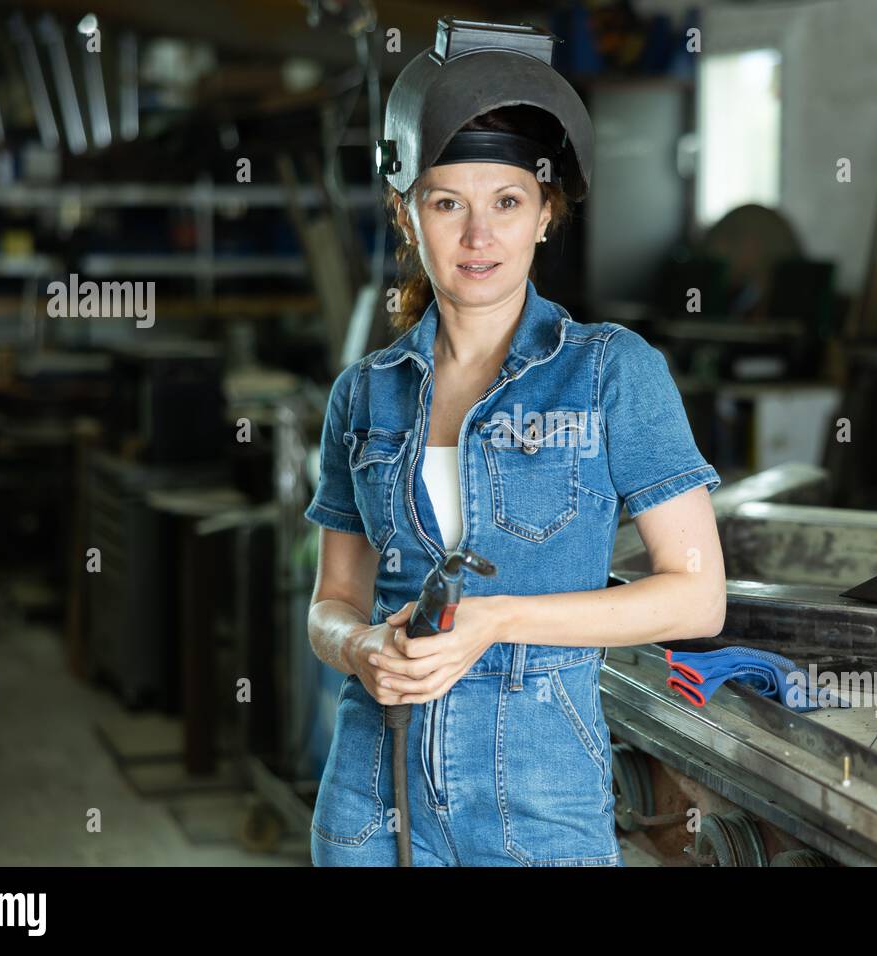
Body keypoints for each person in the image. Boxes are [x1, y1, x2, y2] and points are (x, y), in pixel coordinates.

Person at [305, 17, 725, 866]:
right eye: (446, 202)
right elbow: (331, 601)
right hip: (370, 794)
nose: (477, 236)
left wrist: (495, 621)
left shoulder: (611, 375)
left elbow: (695, 598)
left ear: (545, 216)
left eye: (507, 202)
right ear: (407, 214)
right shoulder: (366, 392)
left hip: (536, 802)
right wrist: (358, 645)